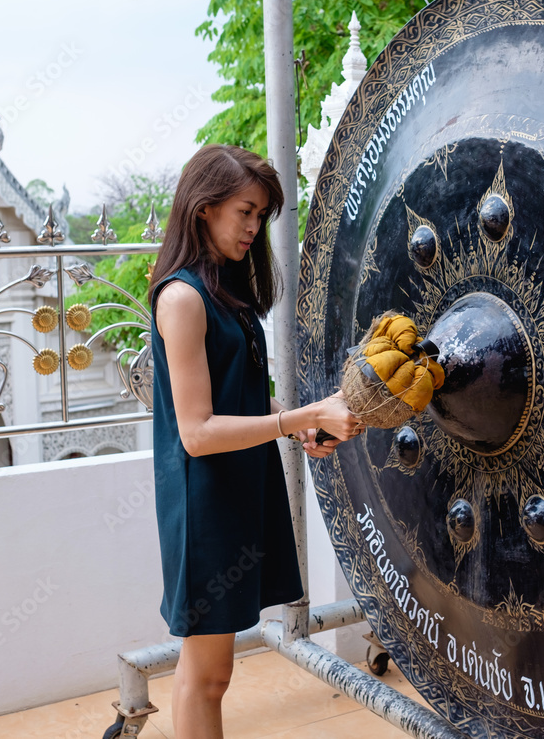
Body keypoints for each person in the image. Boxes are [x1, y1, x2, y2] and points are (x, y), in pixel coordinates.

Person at [148, 143, 363, 738]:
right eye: (244, 211)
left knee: (212, 672)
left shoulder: (221, 295)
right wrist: (296, 421)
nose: (252, 227)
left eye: (260, 215)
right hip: (205, 502)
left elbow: (237, 397)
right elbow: (195, 433)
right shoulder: (184, 298)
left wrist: (298, 420)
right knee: (206, 675)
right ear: (203, 208)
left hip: (237, 489)